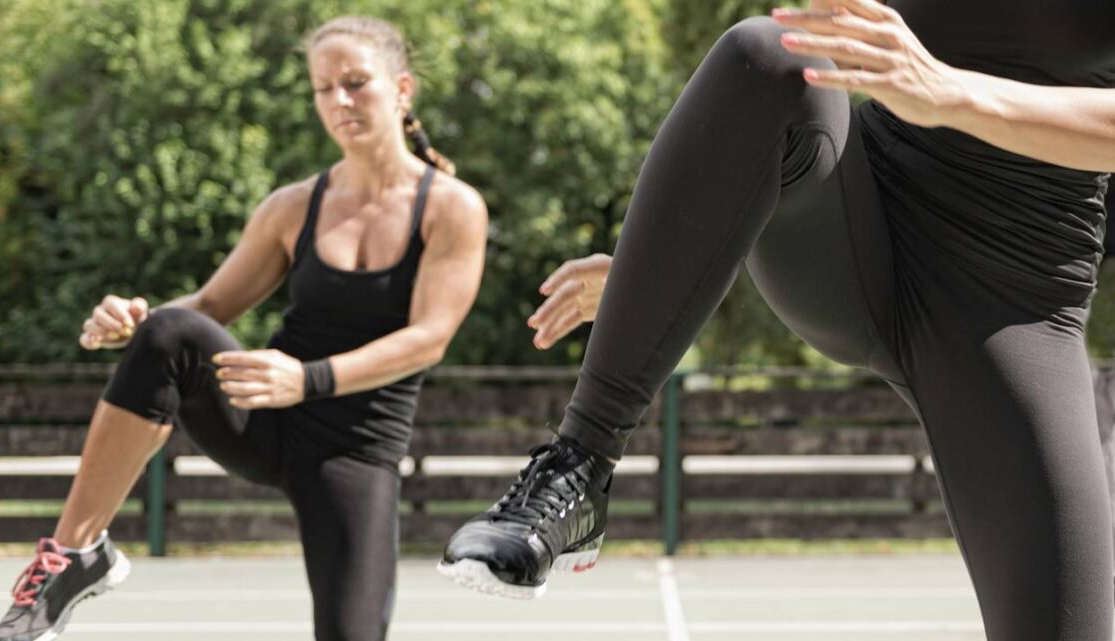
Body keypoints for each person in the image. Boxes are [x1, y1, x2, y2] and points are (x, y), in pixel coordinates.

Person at [440, 0, 1115, 638]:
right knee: (772, 53)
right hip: (862, 232)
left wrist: (951, 92)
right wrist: (663, 268)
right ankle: (577, 468)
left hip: (1014, 298)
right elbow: (796, 78)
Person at [0, 15, 487, 641]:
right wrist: (134, 325)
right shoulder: (292, 206)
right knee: (169, 332)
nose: (338, 101)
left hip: (356, 451)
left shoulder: (451, 207)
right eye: (323, 88)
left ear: (402, 89)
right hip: (264, 422)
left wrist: (307, 379)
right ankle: (75, 555)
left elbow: (429, 339)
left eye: (356, 83)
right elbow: (208, 305)